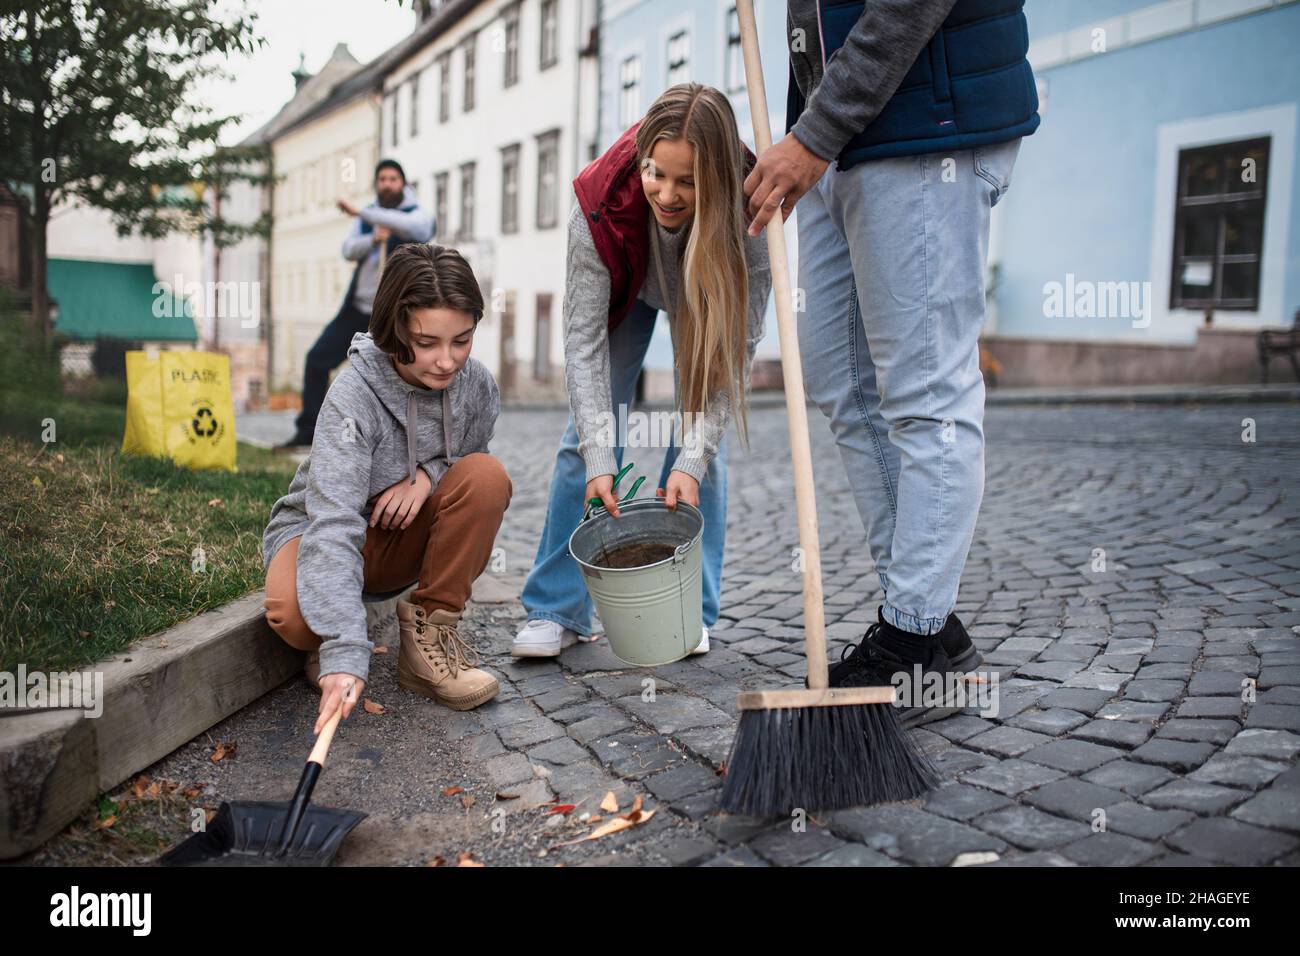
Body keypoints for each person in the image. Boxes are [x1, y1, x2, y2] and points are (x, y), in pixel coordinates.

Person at [743, 0, 1039, 724]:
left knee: (927, 390)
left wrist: (812, 133)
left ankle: (913, 641)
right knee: (842, 382)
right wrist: (813, 133)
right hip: (835, 138)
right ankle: (935, 631)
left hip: (921, 125)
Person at [513, 83, 773, 658]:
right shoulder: (600, 199)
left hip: (704, 285)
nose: (669, 195)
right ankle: (556, 609)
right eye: (658, 174)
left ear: (719, 179)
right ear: (641, 161)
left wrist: (692, 457)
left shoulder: (750, 210)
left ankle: (688, 612)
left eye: (689, 181)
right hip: (627, 281)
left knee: (700, 446)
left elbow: (736, 352)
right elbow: (582, 346)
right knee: (583, 441)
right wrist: (602, 460)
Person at [263, 244, 511, 731]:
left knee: (487, 478)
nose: (446, 361)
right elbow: (333, 521)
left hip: (404, 537)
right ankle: (330, 633)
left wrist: (426, 477)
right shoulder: (353, 396)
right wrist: (344, 654)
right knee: (291, 617)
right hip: (326, 532)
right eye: (426, 342)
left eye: (461, 341)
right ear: (394, 328)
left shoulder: (476, 385)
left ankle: (427, 641)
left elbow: (468, 464)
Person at [278, 159, 435, 451]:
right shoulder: (367, 220)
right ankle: (307, 432)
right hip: (359, 309)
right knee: (316, 359)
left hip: (394, 315)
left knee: (393, 375)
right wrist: (373, 239)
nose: (387, 184)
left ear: (403, 184)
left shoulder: (415, 214)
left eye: (393, 179)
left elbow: (420, 229)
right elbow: (348, 249)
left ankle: (401, 440)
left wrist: (370, 215)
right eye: (382, 179)